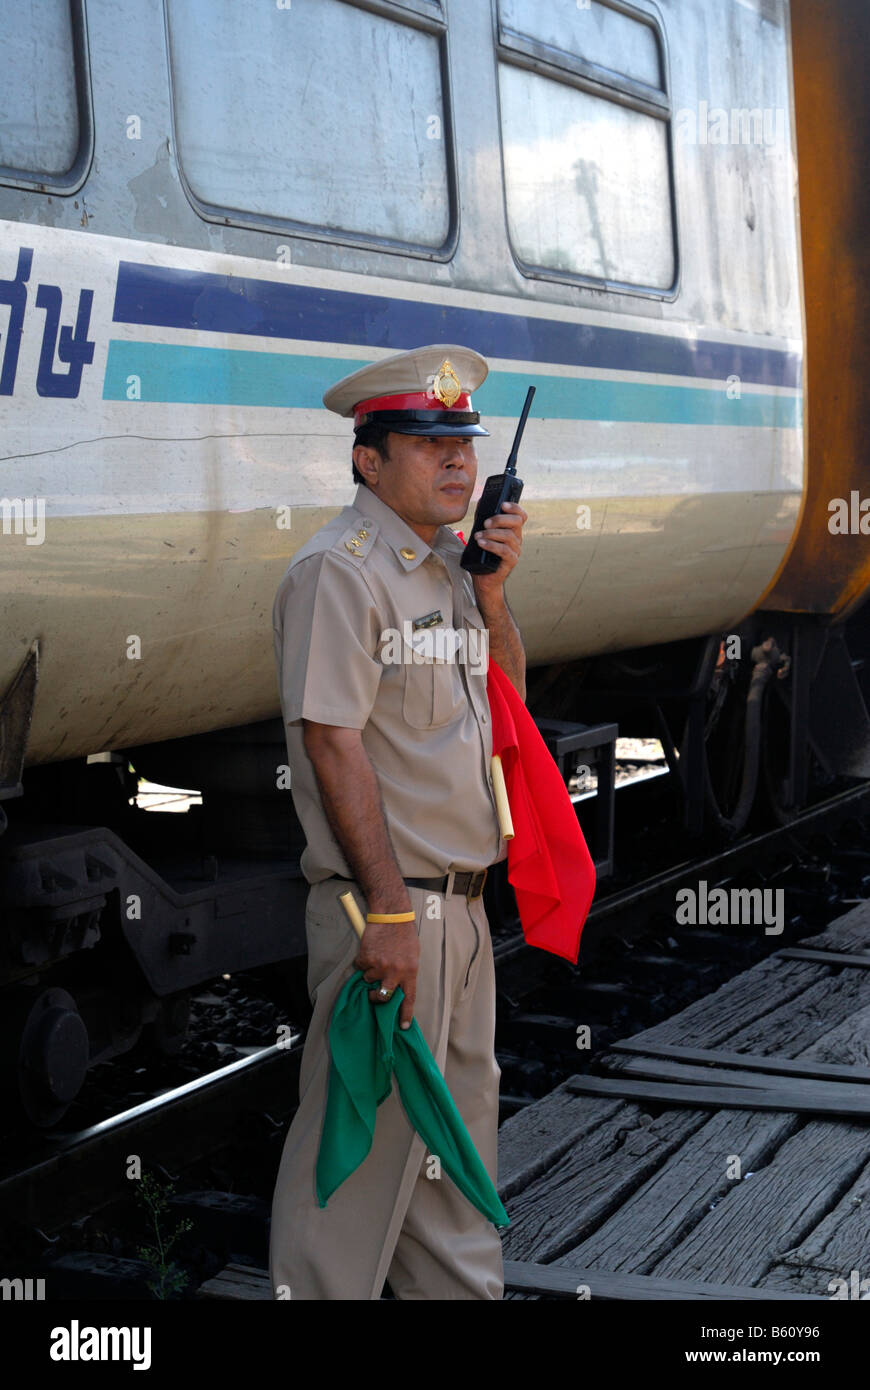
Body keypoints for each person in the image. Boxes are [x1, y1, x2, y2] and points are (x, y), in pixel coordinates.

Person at [269, 343, 527, 1300]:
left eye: (463, 439)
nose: (457, 459)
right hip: (391, 917)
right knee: (353, 1169)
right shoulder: (343, 573)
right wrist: (385, 913)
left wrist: (494, 596)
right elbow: (332, 744)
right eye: (428, 441)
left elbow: (505, 714)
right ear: (367, 460)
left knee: (453, 1168)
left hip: (457, 915)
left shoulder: (450, 575)